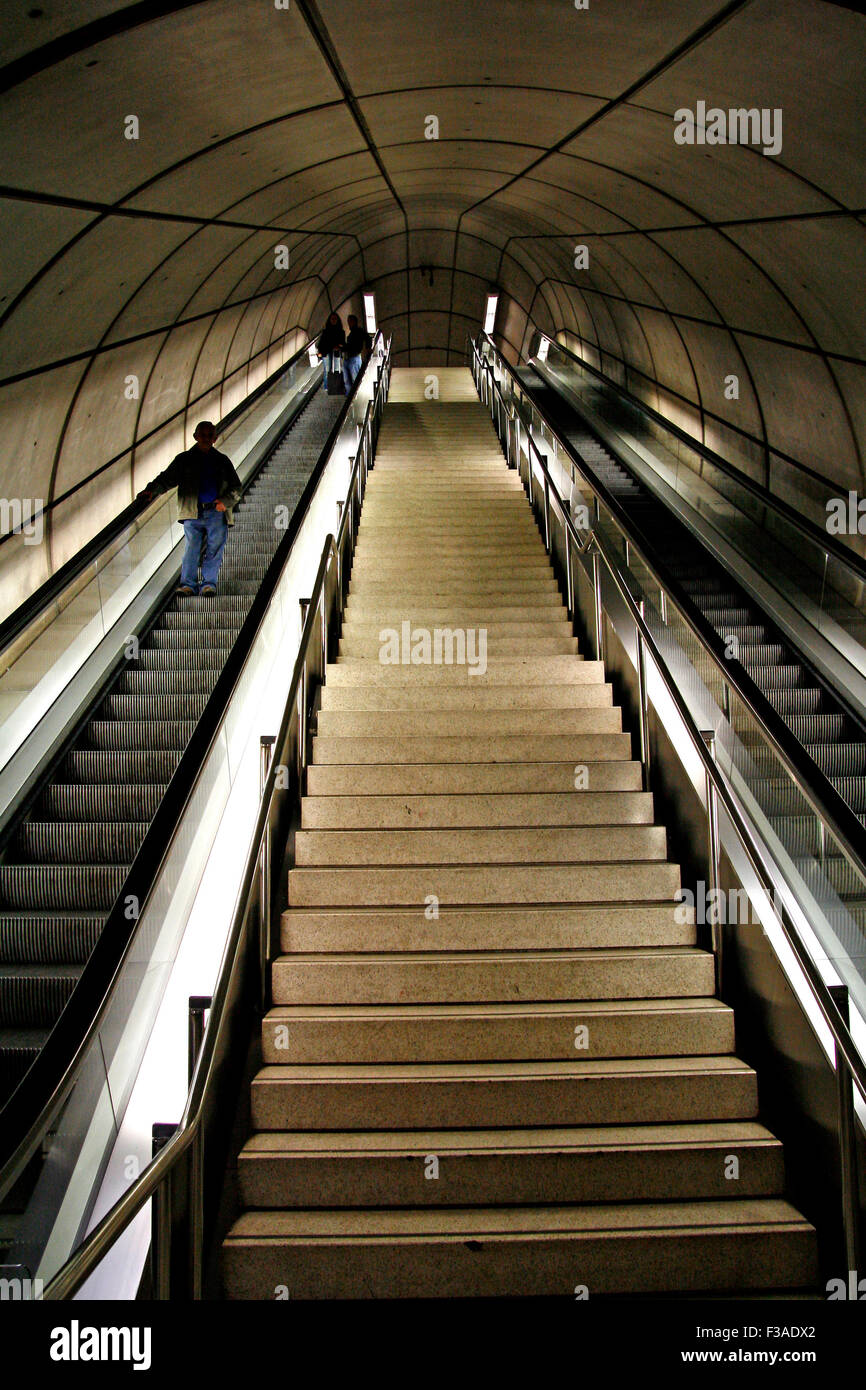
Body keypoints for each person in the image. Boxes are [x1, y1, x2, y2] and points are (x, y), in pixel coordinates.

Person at [139, 421, 241, 595]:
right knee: (191, 548)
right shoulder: (184, 460)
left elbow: (236, 487)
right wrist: (151, 490)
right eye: (202, 435)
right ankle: (188, 585)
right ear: (195, 437)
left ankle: (209, 584)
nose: (206, 439)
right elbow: (167, 479)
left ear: (215, 438)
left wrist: (225, 501)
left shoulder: (222, 461)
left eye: (210, 435)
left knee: (214, 548)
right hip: (192, 512)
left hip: (216, 512)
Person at [317, 312, 346, 391]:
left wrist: (339, 347)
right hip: (326, 352)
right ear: (329, 320)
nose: (333, 320)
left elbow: (342, 343)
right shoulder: (326, 331)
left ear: (338, 320)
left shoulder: (341, 331)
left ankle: (335, 386)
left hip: (336, 353)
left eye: (335, 319)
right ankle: (327, 386)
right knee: (327, 369)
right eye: (332, 319)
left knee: (336, 368)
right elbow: (322, 343)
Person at [343, 313, 371, 393]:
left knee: (355, 379)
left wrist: (368, 348)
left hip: (354, 357)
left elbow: (367, 338)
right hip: (349, 358)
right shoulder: (352, 333)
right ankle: (350, 397)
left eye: (350, 321)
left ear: (355, 322)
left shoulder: (358, 331)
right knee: (348, 380)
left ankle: (355, 395)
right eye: (348, 321)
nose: (349, 323)